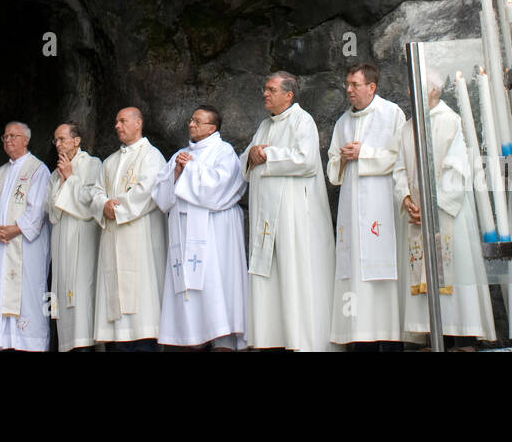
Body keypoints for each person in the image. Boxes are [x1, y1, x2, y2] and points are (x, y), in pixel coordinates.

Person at [394, 74, 496, 346]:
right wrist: (406, 199)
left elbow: (457, 170)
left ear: (434, 91)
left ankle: (461, 340)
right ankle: (432, 340)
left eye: (416, 89)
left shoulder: (451, 122)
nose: (409, 93)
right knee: (424, 282)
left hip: (447, 216)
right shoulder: (406, 128)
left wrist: (430, 205)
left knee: (456, 283)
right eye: (409, 88)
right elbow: (399, 169)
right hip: (417, 216)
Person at [240, 71, 334, 352]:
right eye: (264, 89)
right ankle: (272, 339)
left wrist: (267, 155)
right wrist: (253, 154)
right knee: (271, 278)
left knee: (296, 275)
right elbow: (245, 160)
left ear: (289, 94)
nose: (265, 94)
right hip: (267, 219)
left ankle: (303, 342)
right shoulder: (264, 126)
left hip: (295, 218)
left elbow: (306, 161)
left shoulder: (302, 121)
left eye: (271, 90)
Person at [152, 105, 248, 350]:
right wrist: (176, 171)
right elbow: (162, 197)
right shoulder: (179, 155)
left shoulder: (223, 152)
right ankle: (190, 339)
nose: (191, 124)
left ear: (211, 128)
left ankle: (222, 341)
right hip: (183, 235)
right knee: (189, 294)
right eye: (191, 120)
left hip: (214, 234)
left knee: (216, 290)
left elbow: (220, 188)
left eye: (197, 121)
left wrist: (189, 169)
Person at [327, 63, 404, 350]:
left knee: (383, 270)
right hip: (350, 204)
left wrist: (365, 153)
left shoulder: (391, 113)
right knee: (355, 274)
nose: (348, 90)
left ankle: (390, 340)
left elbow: (400, 157)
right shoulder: (342, 123)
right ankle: (361, 341)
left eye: (354, 85)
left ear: (371, 87)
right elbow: (332, 169)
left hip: (381, 203)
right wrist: (345, 159)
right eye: (347, 84)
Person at [91, 107, 167, 350]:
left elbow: (147, 191)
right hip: (113, 239)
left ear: (138, 123)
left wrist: (117, 209)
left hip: (140, 238)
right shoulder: (110, 161)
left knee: (142, 311)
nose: (117, 125)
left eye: (123, 121)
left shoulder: (151, 156)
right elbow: (96, 191)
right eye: (116, 121)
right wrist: (103, 204)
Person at [0, 122, 51, 352]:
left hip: (25, 248)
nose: (8, 140)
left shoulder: (38, 170)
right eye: (5, 136)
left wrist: (15, 229)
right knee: (0, 292)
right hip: (1, 246)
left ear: (26, 140)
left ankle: (30, 344)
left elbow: (38, 208)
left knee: (27, 295)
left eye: (13, 136)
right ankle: (3, 342)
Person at [45, 122, 102, 352]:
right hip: (61, 241)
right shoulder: (54, 172)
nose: (58, 144)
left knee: (82, 296)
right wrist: (61, 180)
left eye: (62, 139)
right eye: (55, 140)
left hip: (83, 241)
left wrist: (70, 179)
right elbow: (50, 210)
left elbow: (92, 202)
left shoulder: (93, 164)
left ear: (77, 140)